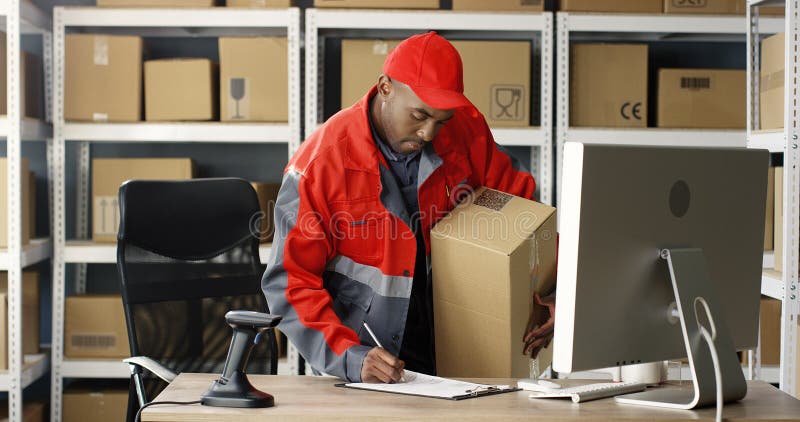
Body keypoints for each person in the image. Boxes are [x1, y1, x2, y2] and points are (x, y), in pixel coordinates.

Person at [262, 31, 555, 383]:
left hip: (458, 353)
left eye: (441, 120)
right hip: (366, 363)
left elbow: (526, 220)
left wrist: (555, 293)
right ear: (385, 87)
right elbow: (291, 282)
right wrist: (349, 357)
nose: (430, 133)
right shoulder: (320, 165)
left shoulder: (464, 133)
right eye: (419, 115)